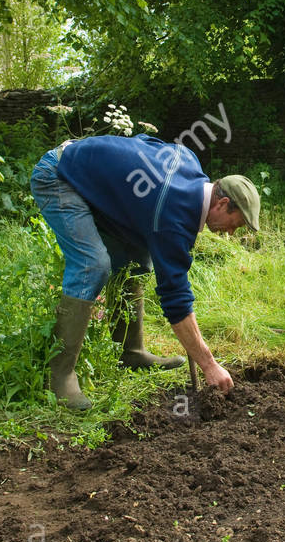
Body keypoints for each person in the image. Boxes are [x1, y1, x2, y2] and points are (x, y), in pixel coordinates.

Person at [30, 134, 260, 409]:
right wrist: (209, 365)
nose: (232, 233)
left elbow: (144, 140)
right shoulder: (171, 215)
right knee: (93, 265)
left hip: (90, 180)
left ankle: (130, 351)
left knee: (136, 260)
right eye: (235, 224)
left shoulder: (189, 161)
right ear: (222, 204)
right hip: (59, 176)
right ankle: (59, 376)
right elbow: (175, 299)